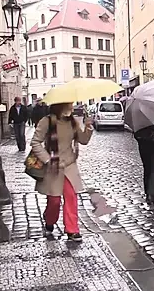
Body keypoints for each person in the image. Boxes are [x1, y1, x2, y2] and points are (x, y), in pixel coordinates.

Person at [30, 102, 94, 242]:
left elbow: (83, 140)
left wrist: (88, 127)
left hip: (69, 165)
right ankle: (49, 219)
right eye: (68, 105)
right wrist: (47, 159)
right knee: (54, 200)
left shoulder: (73, 122)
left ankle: (72, 230)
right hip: (53, 166)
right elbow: (35, 142)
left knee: (71, 197)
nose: (71, 108)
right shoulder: (46, 121)